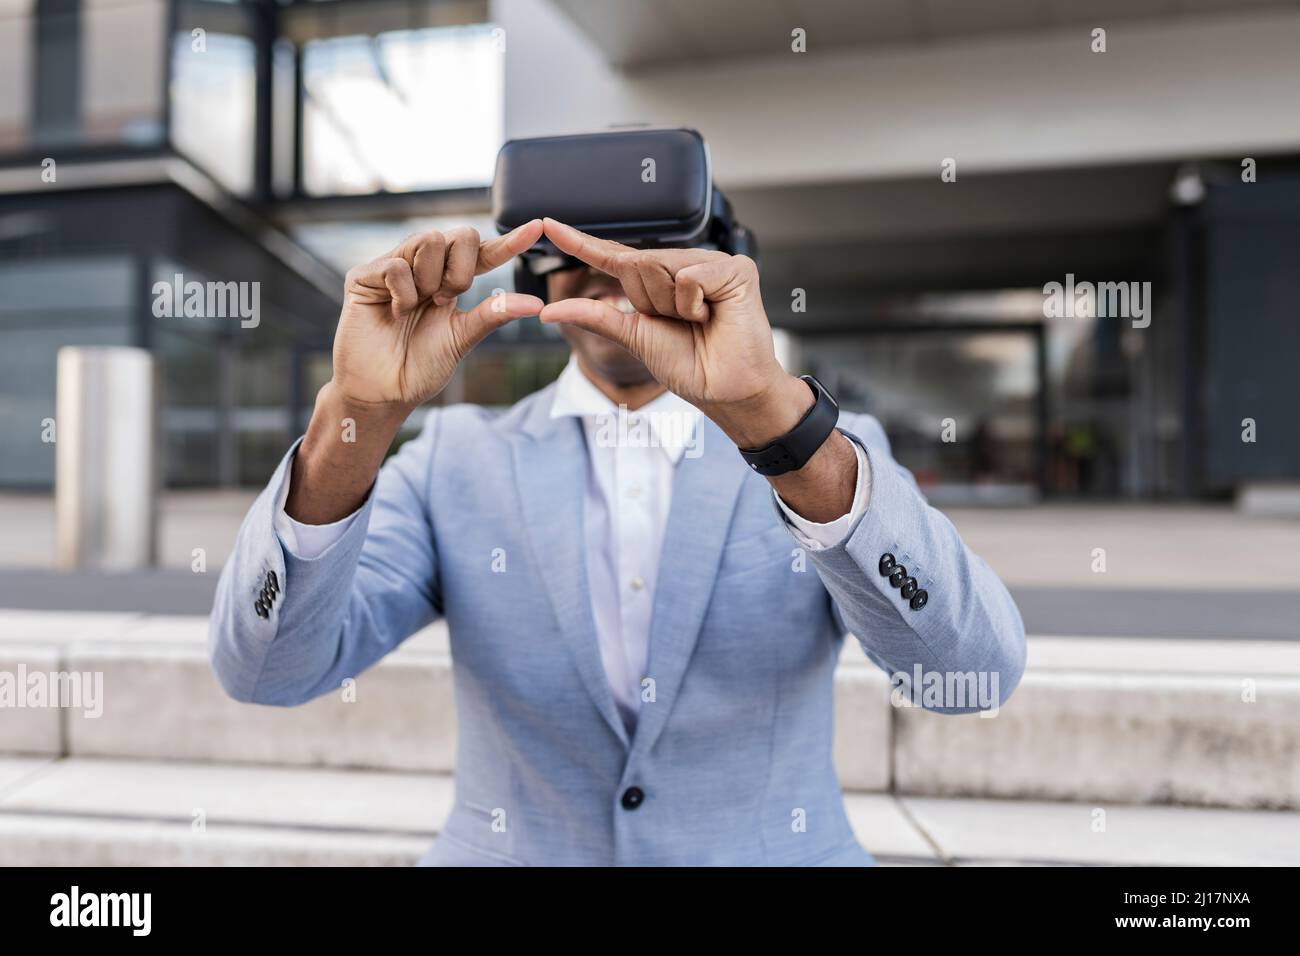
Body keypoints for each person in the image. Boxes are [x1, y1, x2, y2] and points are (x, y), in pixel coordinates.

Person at [209, 216, 1026, 866]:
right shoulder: (457, 459)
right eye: (577, 235)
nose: (613, 260)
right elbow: (268, 671)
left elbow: (974, 672)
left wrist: (777, 422)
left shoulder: (824, 452)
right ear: (534, 265)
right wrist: (358, 414)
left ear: (724, 259)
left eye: (650, 234)